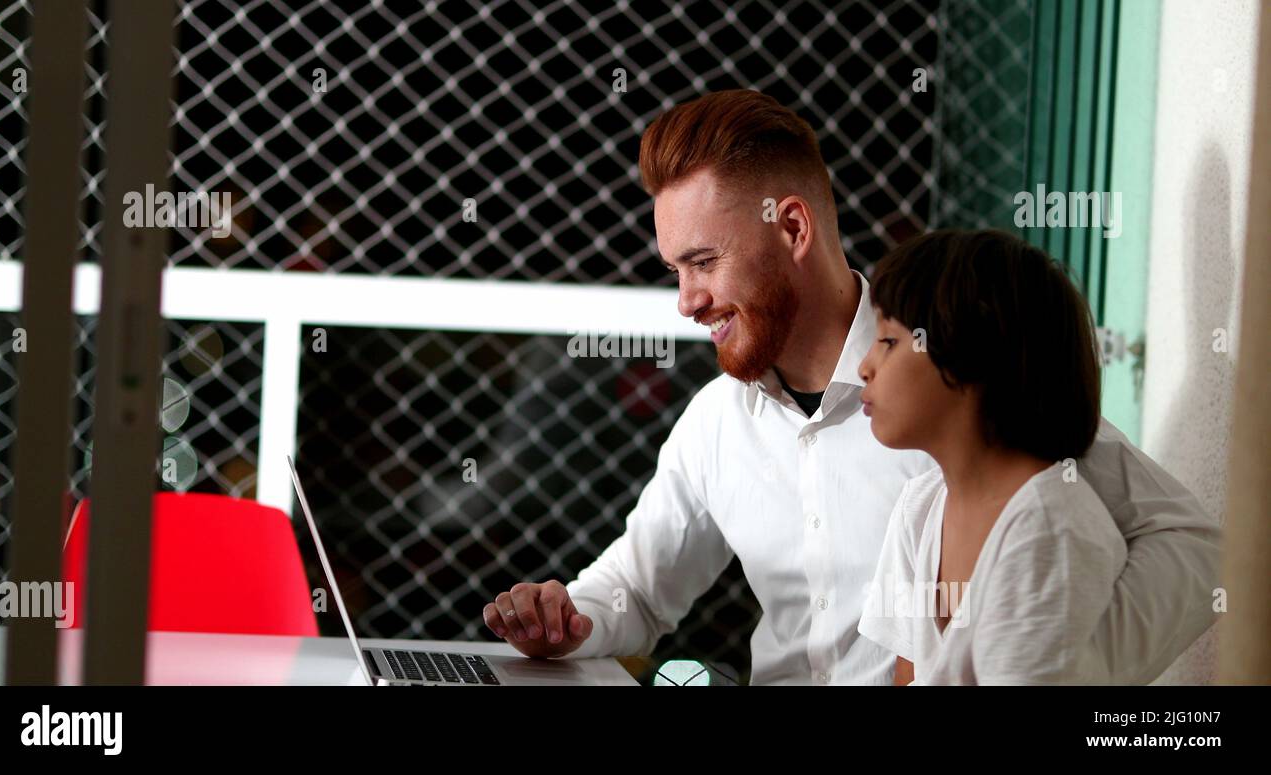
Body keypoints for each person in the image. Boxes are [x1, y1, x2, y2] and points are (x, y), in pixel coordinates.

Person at [479, 89, 1221, 684]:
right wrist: (565, 616)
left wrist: (1078, 669)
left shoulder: (954, 378)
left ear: (792, 230)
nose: (687, 300)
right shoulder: (715, 424)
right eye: (676, 270)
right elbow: (637, 592)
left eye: (703, 262)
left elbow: (1189, 538)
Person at [855, 229, 1123, 684]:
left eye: (890, 341)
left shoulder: (1049, 530)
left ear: (969, 351)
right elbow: (908, 674)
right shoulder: (919, 510)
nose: (865, 365)